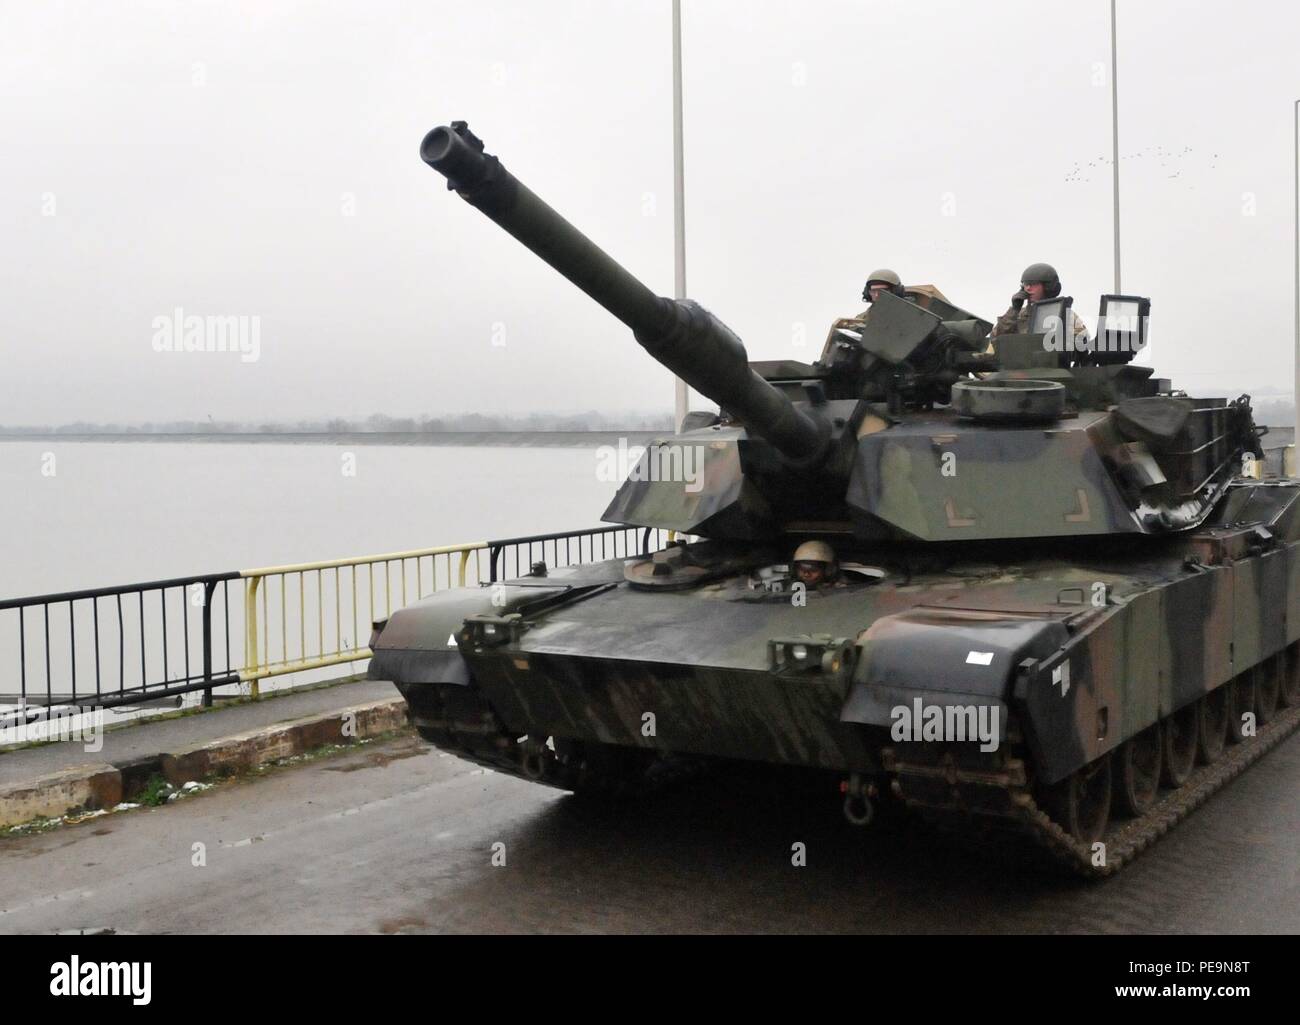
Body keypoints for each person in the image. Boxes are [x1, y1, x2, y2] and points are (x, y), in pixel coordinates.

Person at [991, 262, 1090, 349]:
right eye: (1025, 284)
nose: (1028, 288)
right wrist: (1014, 309)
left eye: (1033, 283)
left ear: (1048, 286)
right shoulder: (1017, 315)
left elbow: (1082, 339)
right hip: (1018, 367)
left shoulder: (1064, 314)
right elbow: (995, 338)